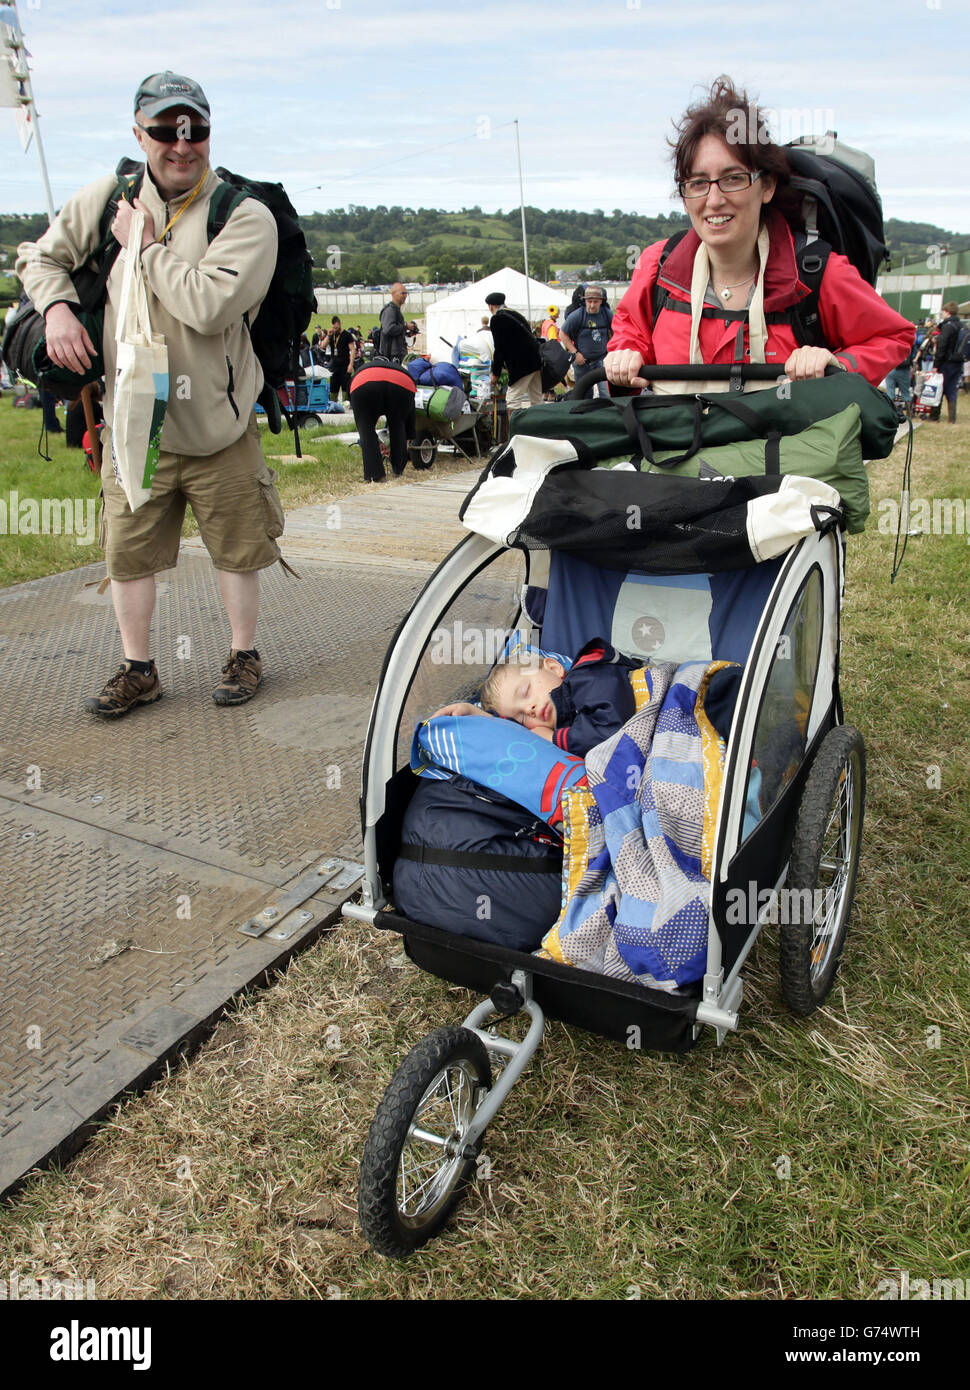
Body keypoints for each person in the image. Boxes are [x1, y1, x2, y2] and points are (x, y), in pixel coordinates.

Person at [17, 72, 284, 717]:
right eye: (165, 130)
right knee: (127, 552)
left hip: (218, 425)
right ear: (139, 134)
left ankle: (244, 654)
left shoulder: (245, 216)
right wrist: (55, 311)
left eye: (195, 129)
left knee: (238, 547)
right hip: (135, 422)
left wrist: (139, 246)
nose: (181, 144)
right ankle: (139, 667)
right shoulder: (111, 195)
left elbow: (209, 303)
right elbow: (37, 256)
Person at [606, 76, 914, 394]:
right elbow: (631, 331)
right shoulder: (659, 267)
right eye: (697, 183)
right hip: (678, 443)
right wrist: (626, 356)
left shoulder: (817, 273)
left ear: (767, 186)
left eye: (734, 178)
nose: (713, 200)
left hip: (780, 445)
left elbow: (892, 336)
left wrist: (836, 364)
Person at [436, 640, 740, 758]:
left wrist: (556, 740)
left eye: (526, 692)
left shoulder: (588, 677)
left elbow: (612, 730)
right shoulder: (572, 720)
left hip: (704, 692)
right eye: (520, 718)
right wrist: (480, 717)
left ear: (554, 668)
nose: (528, 709)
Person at [349, 355, 416, 482]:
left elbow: (360, 414)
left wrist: (371, 439)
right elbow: (410, 415)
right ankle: (398, 468)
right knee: (398, 424)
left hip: (363, 383)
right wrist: (410, 434)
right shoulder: (397, 368)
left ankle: (375, 475)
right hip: (402, 382)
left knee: (366, 428)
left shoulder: (362, 370)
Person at [486, 291, 542, 409]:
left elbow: (499, 348)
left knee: (512, 399)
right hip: (536, 359)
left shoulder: (497, 319)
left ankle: (515, 427)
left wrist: (495, 373)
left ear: (491, 306)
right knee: (536, 398)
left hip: (521, 365)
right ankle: (540, 425)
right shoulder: (515, 314)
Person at [561, 286, 613, 398]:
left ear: (601, 301)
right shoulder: (577, 315)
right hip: (583, 362)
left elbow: (617, 331)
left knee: (606, 394)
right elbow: (563, 334)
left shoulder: (606, 314)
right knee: (584, 395)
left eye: (596, 301)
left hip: (602, 360)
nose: (592, 305)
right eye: (589, 301)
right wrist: (575, 353)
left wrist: (612, 351)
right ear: (584, 301)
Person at [933, 301, 963, 423]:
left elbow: (942, 345)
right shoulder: (962, 326)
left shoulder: (948, 326)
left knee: (939, 387)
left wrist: (936, 364)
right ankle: (952, 418)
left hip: (946, 362)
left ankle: (934, 415)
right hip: (958, 361)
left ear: (947, 312)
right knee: (952, 390)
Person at [326, 315, 354, 402]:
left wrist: (351, 364)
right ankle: (333, 401)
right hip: (334, 365)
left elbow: (352, 350)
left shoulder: (347, 335)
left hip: (345, 364)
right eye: (333, 327)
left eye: (336, 327)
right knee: (333, 385)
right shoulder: (332, 335)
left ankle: (346, 402)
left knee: (345, 385)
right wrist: (328, 336)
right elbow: (322, 346)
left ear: (339, 324)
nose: (335, 329)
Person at [379, 282, 408, 362]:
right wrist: (405, 326)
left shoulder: (395, 309)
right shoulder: (390, 310)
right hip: (392, 354)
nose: (405, 296)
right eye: (402, 293)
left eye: (406, 293)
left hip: (398, 352)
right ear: (393, 294)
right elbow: (388, 329)